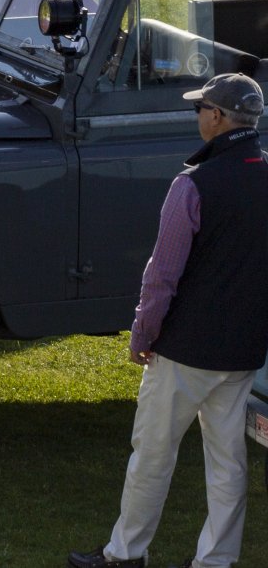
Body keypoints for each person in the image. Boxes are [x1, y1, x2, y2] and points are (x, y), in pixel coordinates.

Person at [69, 74, 268, 568]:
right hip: (243, 349)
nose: (198, 115)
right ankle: (215, 561)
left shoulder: (192, 185)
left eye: (201, 108)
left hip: (183, 350)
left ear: (217, 117)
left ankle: (125, 554)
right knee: (228, 461)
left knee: (153, 455)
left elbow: (162, 276)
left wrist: (142, 333)